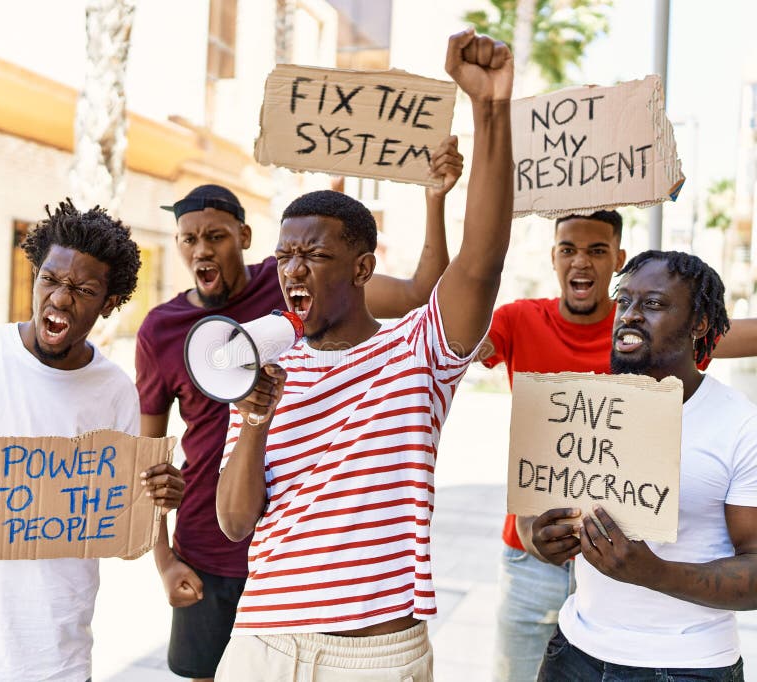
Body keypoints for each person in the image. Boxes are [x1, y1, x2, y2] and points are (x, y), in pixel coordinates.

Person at [213, 28, 513, 681]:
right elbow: (235, 523)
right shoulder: (259, 368)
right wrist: (255, 422)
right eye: (285, 255)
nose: (294, 270)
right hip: (263, 645)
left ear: (362, 266)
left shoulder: (417, 353)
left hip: (373, 659)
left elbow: (481, 262)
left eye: (315, 255)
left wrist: (490, 111)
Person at [136, 142, 463, 679]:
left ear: (244, 238)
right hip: (208, 541)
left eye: (215, 236)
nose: (202, 250)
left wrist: (433, 202)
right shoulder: (160, 328)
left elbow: (419, 294)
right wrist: (163, 559)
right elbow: (147, 457)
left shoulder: (290, 281)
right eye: (189, 239)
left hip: (293, 557)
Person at [480, 210, 757, 682]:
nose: (628, 315)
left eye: (651, 303)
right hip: (574, 653)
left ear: (698, 324)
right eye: (624, 301)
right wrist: (537, 537)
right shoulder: (585, 406)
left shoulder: (740, 424)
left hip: (686, 667)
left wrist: (655, 572)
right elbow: (537, 511)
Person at [0, 200, 183, 682]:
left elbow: (125, 512)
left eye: (83, 289)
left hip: (55, 649)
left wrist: (159, 496)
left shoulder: (115, 391)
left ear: (109, 303)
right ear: (36, 275)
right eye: (51, 280)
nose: (60, 299)